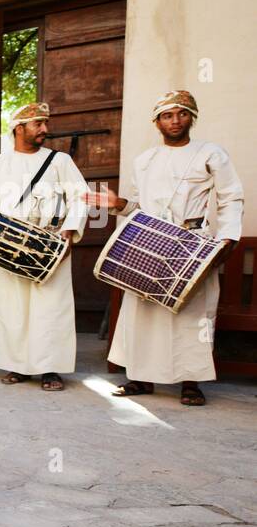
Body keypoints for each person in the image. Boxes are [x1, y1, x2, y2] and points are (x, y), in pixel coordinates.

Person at [84, 90, 244, 406]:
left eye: (182, 114)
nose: (175, 121)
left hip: (192, 242)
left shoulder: (211, 153)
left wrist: (227, 239)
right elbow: (139, 207)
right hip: (149, 242)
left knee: (191, 312)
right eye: (167, 115)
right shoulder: (145, 161)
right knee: (143, 311)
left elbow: (230, 196)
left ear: (191, 118)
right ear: (157, 121)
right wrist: (118, 205)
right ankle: (140, 378)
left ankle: (191, 382)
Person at [0, 102, 89, 391]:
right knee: (12, 308)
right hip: (8, 243)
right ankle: (17, 364)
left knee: (49, 308)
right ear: (18, 128)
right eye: (38, 124)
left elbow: (80, 196)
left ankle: (49, 368)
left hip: (49, 242)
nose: (45, 129)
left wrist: (70, 229)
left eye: (45, 123)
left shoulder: (60, 161)